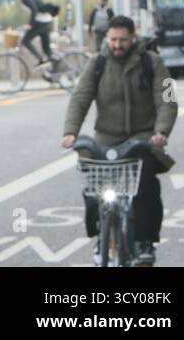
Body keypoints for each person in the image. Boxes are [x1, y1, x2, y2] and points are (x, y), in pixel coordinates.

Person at [62, 15, 176, 266]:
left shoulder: (153, 62)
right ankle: (100, 233)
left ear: (133, 38)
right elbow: (80, 98)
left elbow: (168, 99)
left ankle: (145, 241)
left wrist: (161, 132)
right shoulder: (97, 63)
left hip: (142, 139)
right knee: (91, 182)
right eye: (113, 39)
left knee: (146, 185)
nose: (117, 45)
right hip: (106, 139)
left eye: (123, 40)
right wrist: (71, 131)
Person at [10, 0, 55, 71]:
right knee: (46, 48)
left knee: (25, 41)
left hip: (42, 21)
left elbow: (34, 9)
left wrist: (30, 25)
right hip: (46, 20)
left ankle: (41, 59)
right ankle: (55, 71)